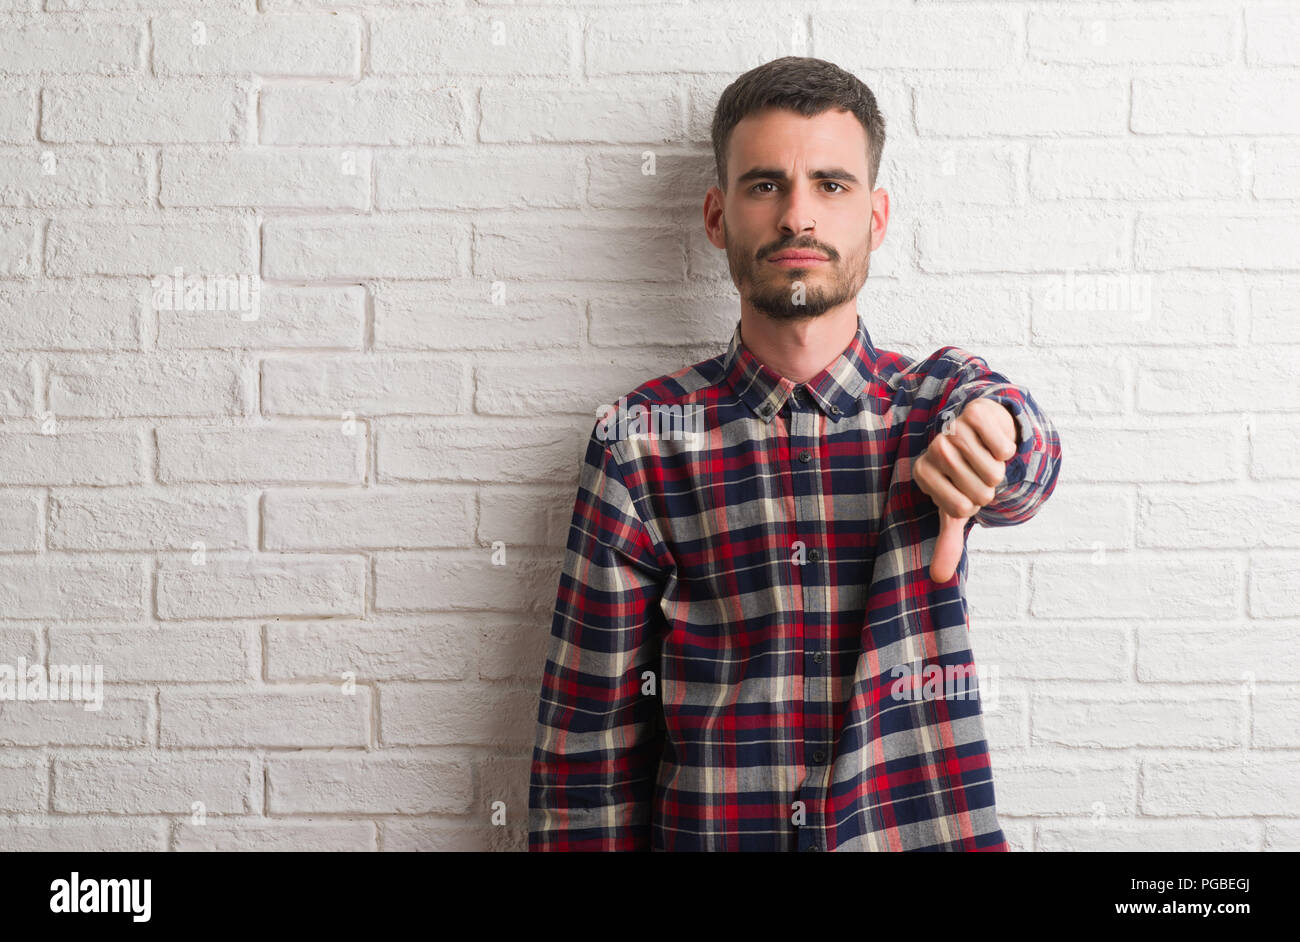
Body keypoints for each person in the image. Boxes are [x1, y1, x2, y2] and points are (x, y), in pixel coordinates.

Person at [528, 56, 1062, 851]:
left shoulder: (933, 404)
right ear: (718, 216)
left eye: (832, 186)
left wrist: (999, 435)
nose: (798, 217)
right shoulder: (640, 441)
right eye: (766, 185)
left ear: (877, 218)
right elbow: (588, 743)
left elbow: (1022, 457)